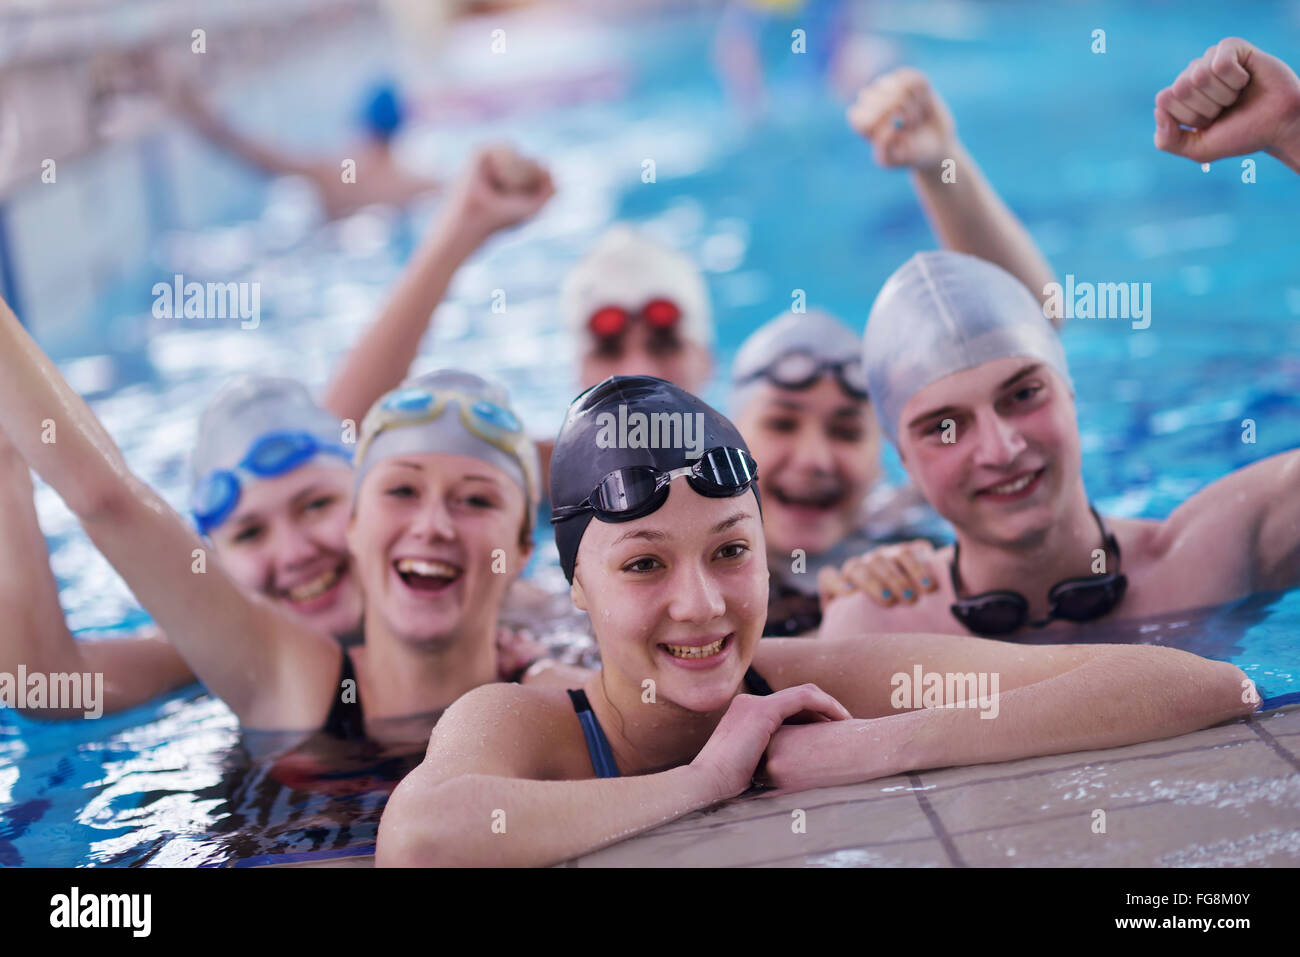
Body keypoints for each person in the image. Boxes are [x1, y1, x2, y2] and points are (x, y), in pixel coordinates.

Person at [374, 375, 1256, 867]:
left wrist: (877, 744)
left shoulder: (821, 675)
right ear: (573, 585)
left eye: (730, 550)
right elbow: (418, 838)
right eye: (644, 563)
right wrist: (709, 780)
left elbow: (1211, 684)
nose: (703, 604)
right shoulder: (522, 723)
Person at [0, 147, 567, 723]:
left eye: (316, 506)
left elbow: (369, 442)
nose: (296, 553)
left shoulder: (501, 601)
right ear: (214, 564)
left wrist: (461, 229)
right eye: (248, 534)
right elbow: (42, 683)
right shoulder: (227, 642)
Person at [723, 66, 1061, 633]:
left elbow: (1024, 340)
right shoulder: (671, 560)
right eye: (782, 425)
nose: (813, 460)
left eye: (847, 431)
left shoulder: (910, 528)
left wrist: (941, 165)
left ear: (889, 455)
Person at [167, 75, 441, 219]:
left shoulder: (331, 173)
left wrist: (199, 116)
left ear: (363, 122)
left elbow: (262, 159)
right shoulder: (419, 185)